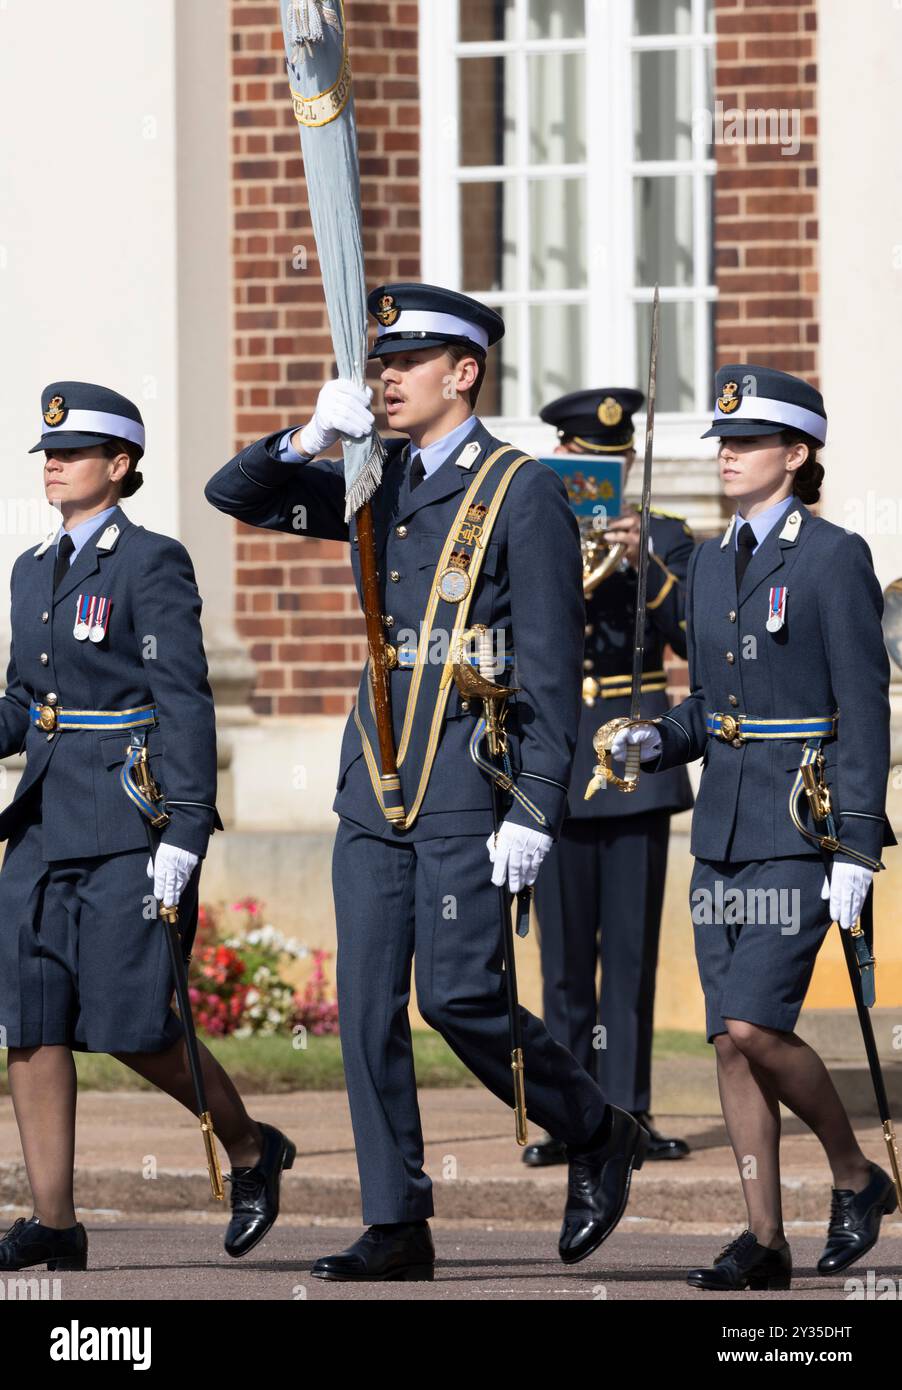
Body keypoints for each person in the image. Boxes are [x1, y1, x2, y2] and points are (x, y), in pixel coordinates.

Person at [205, 283, 649, 1281]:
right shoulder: (374, 473)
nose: (386, 379)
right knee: (364, 1008)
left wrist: (537, 802)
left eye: (407, 363)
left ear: (463, 372)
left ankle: (592, 1127)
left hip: (463, 773)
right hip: (373, 778)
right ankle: (395, 1217)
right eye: (380, 364)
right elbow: (232, 495)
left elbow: (546, 658)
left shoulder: (518, 489)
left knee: (457, 997)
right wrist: (308, 438)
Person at [614, 364, 897, 1290]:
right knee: (729, 1041)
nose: (727, 456)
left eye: (746, 443)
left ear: (797, 454)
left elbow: (864, 704)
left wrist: (857, 840)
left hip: (797, 823)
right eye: (722, 443)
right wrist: (659, 738)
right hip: (721, 829)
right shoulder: (706, 559)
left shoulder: (831, 557)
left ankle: (854, 1173)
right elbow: (711, 706)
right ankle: (763, 1239)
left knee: (756, 1020)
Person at [0, 382, 294, 1273]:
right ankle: (53, 1220)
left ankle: (251, 1147)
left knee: (133, 1024)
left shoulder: (151, 561)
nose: (54, 462)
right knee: (32, 1019)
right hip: (46, 819)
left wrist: (187, 829)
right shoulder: (31, 567)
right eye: (48, 450)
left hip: (131, 822)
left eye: (74, 451)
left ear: (120, 465)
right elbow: (25, 703)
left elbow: (184, 704)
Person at [524, 388, 693, 1167]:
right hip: (557, 756)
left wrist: (645, 568)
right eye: (588, 467)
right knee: (562, 960)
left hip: (632, 762)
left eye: (614, 466)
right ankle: (570, 1115)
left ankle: (630, 1111)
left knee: (628, 955)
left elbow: (695, 629)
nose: (606, 478)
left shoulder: (666, 538)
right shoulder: (534, 529)